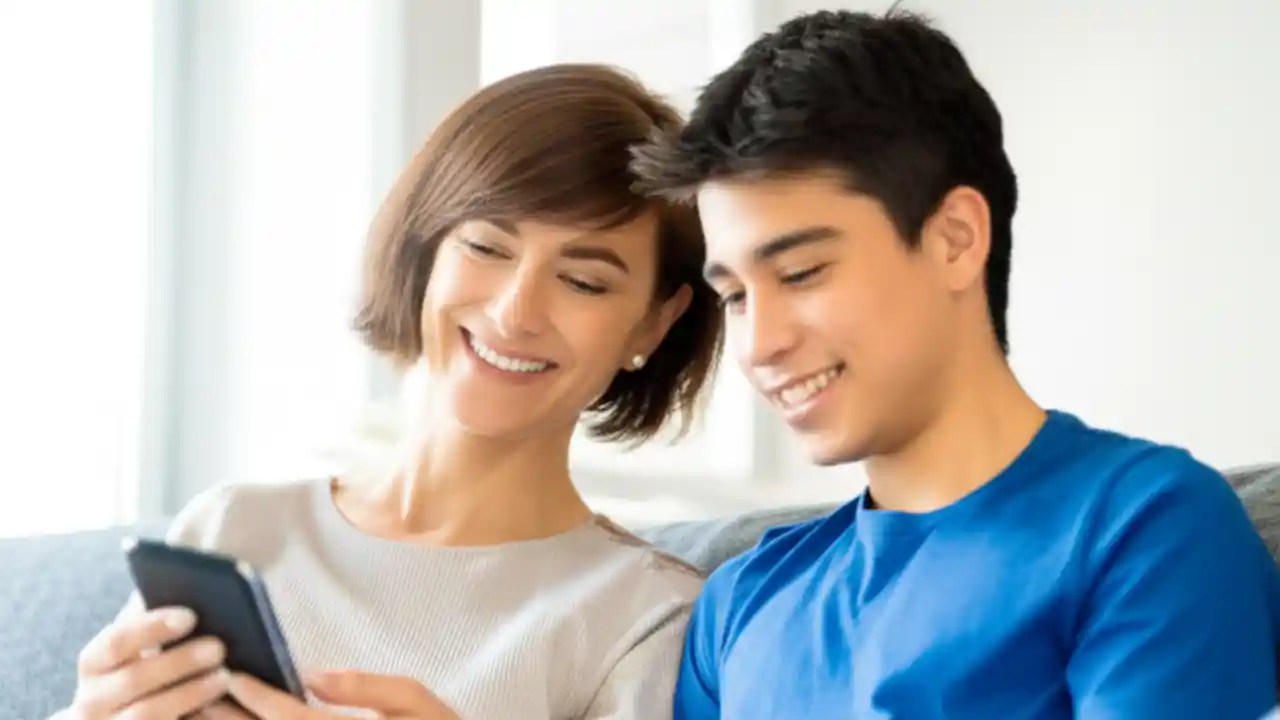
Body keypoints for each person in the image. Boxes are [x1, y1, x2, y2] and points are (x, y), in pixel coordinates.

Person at [633, 9, 1280, 720]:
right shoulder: (740, 601)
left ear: (956, 239)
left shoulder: (1147, 531)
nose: (760, 344)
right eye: (734, 295)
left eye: (802, 272)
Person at [58, 64, 722, 720]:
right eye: (487, 247)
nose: (516, 312)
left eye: (583, 282)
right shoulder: (233, 529)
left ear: (654, 322)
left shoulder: (647, 617)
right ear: (424, 250)